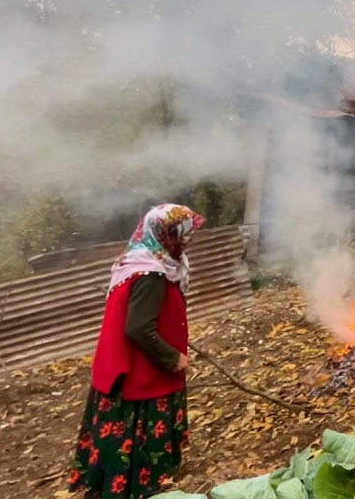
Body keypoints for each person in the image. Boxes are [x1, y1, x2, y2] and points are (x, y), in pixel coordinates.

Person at [69, 204, 205, 499]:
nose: (186, 242)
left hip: (129, 369)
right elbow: (139, 329)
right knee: (135, 437)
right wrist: (173, 358)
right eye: (181, 235)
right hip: (138, 374)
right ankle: (140, 486)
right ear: (164, 235)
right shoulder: (150, 274)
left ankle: (138, 483)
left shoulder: (139, 263)